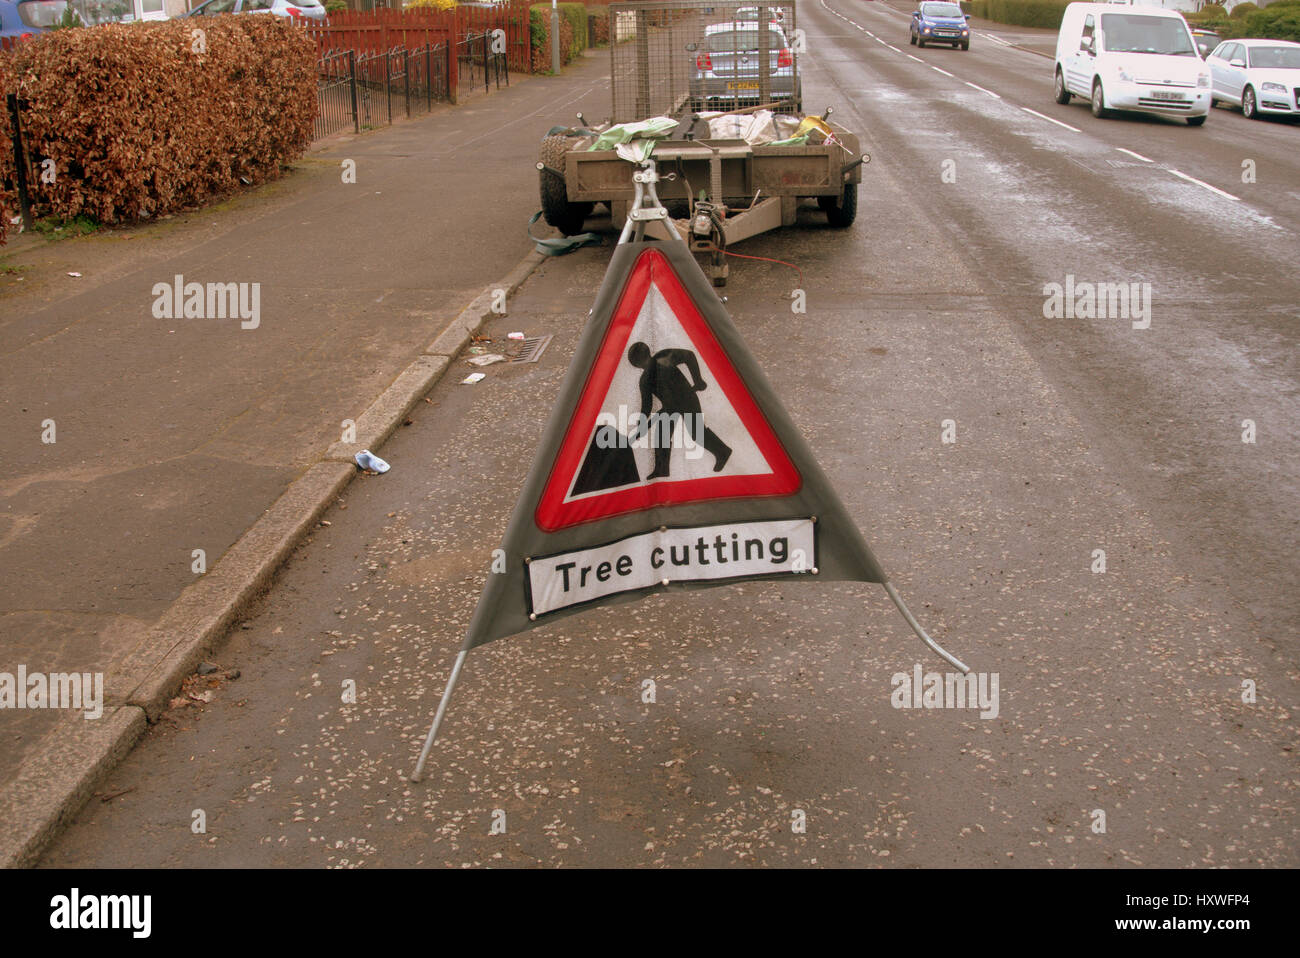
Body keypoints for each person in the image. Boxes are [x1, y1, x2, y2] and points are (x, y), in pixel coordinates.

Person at [626, 341, 732, 478]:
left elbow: (689, 356)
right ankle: (661, 469)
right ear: (638, 365)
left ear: (637, 363)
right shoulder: (645, 380)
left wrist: (697, 380)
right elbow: (646, 406)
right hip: (670, 408)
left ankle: (722, 452)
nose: (645, 365)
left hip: (687, 399)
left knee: (697, 433)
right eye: (642, 363)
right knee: (661, 435)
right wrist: (641, 425)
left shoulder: (664, 358)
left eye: (643, 361)